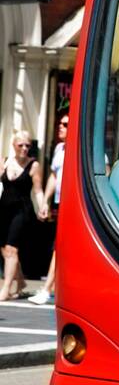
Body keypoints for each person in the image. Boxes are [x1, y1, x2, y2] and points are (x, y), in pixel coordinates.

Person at [29, 112, 68, 306]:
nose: (60, 127)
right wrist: (45, 201)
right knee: (59, 248)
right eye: (60, 123)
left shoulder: (87, 149)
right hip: (60, 204)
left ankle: (46, 290)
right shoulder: (60, 149)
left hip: (74, 206)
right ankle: (52, 288)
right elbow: (54, 176)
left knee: (58, 248)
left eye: (65, 124)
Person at [0, 129, 44, 301]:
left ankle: (6, 288)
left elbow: (38, 190)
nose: (25, 148)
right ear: (14, 145)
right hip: (3, 210)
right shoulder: (4, 161)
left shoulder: (33, 165)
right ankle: (20, 281)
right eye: (21, 145)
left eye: (28, 145)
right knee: (5, 250)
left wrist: (43, 206)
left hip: (22, 211)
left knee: (11, 249)